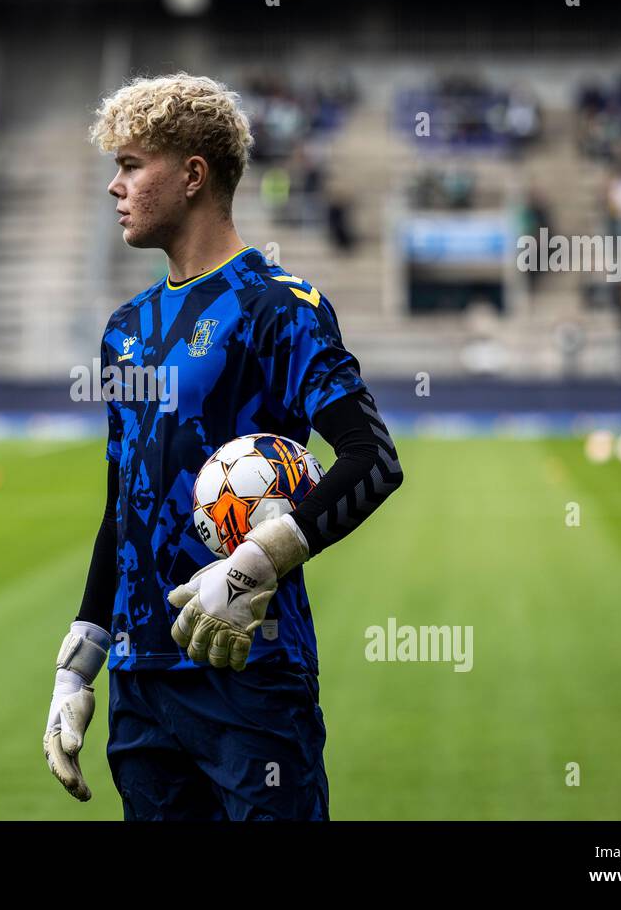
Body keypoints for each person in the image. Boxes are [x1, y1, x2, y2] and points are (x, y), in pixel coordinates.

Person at [42, 73, 405, 820]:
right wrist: (80, 663)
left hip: (248, 672)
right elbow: (125, 503)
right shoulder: (125, 329)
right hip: (141, 691)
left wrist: (254, 567)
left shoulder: (280, 307)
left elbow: (373, 460)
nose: (114, 187)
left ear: (193, 175)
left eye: (132, 165)